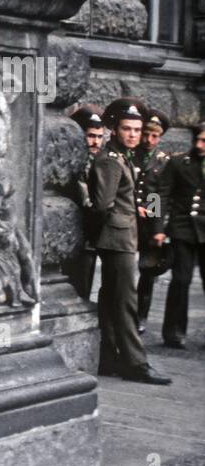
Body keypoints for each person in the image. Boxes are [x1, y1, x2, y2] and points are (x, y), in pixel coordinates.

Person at [88, 99, 172, 384]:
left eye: (148, 133)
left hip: (142, 230)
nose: (141, 137)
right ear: (116, 130)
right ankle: (134, 361)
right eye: (133, 130)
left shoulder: (160, 161)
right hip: (121, 234)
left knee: (124, 293)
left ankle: (111, 356)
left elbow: (157, 195)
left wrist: (157, 226)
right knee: (125, 298)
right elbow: (105, 202)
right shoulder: (119, 157)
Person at [153, 121, 205, 348]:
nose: (200, 145)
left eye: (204, 141)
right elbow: (158, 195)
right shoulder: (177, 162)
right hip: (183, 229)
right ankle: (174, 332)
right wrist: (157, 228)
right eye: (198, 140)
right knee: (181, 280)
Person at [133, 109, 172, 330]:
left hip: (148, 224)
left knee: (147, 272)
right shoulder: (129, 154)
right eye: (146, 134)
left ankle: (141, 315)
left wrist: (151, 212)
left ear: (160, 137)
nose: (148, 140)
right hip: (130, 221)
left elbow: (161, 193)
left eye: (154, 136)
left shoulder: (163, 161)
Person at [69, 104, 105, 299]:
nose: (96, 142)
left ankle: (139, 317)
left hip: (107, 230)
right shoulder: (75, 160)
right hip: (81, 226)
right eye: (91, 136)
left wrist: (154, 219)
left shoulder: (162, 161)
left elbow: (156, 194)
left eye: (100, 137)